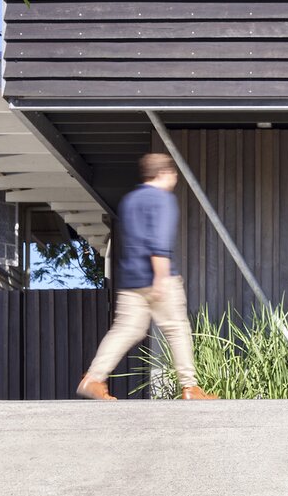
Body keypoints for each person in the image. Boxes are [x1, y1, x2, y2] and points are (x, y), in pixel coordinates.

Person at [76, 151, 218, 401]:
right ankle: (190, 387)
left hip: (131, 278)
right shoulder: (162, 200)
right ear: (164, 173)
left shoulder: (130, 201)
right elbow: (158, 242)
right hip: (157, 275)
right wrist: (161, 278)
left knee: (126, 329)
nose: (174, 179)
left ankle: (93, 378)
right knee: (176, 328)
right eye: (172, 173)